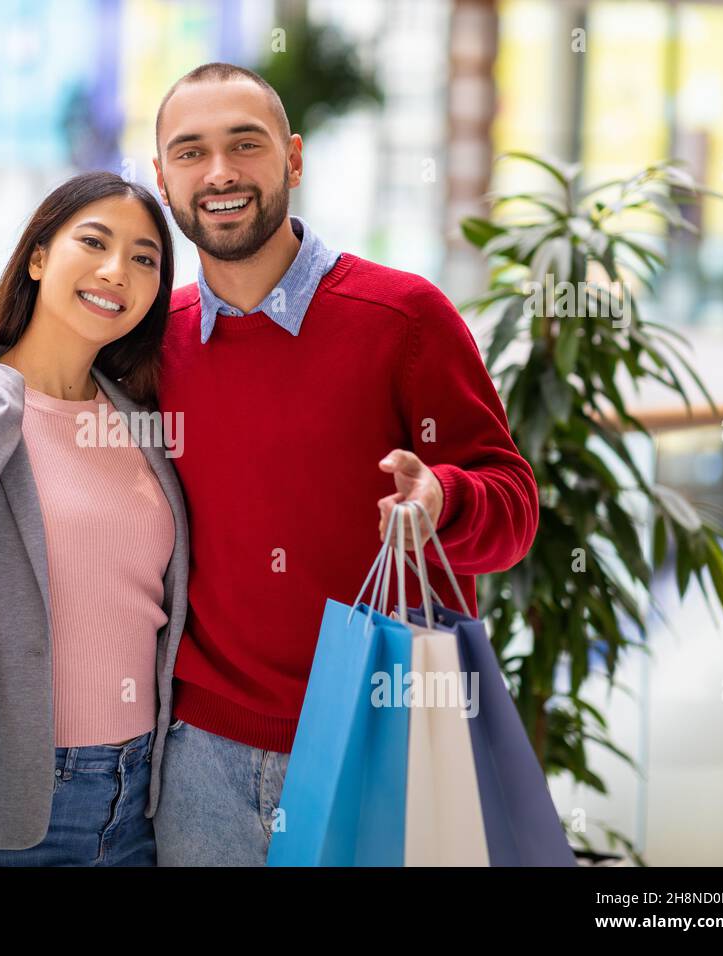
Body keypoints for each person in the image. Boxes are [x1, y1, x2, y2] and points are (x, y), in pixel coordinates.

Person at [147, 62, 540, 865]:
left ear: (292, 159)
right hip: (198, 764)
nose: (219, 172)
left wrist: (447, 501)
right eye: (190, 152)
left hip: (386, 737)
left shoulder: (404, 319)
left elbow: (515, 514)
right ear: (162, 178)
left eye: (244, 145)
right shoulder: (154, 344)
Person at [0, 170, 189, 865]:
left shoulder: (142, 421)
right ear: (38, 257)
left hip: (141, 794)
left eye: (145, 258)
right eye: (95, 242)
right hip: (13, 798)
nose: (118, 271)